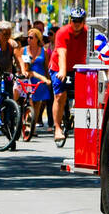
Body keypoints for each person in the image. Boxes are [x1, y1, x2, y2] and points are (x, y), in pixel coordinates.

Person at [49, 8, 87, 145]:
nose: (76, 23)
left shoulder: (87, 32)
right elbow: (61, 53)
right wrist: (63, 71)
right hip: (58, 67)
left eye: (79, 21)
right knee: (60, 96)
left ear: (83, 21)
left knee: (85, 95)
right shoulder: (63, 32)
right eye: (74, 20)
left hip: (78, 67)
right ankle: (57, 128)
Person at [20, 27, 51, 141]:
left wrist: (48, 79)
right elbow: (21, 66)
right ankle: (27, 125)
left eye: (31, 37)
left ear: (37, 39)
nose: (28, 39)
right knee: (30, 102)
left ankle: (33, 127)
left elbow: (46, 67)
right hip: (29, 79)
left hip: (40, 79)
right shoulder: (23, 50)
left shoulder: (44, 51)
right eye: (28, 37)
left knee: (38, 105)